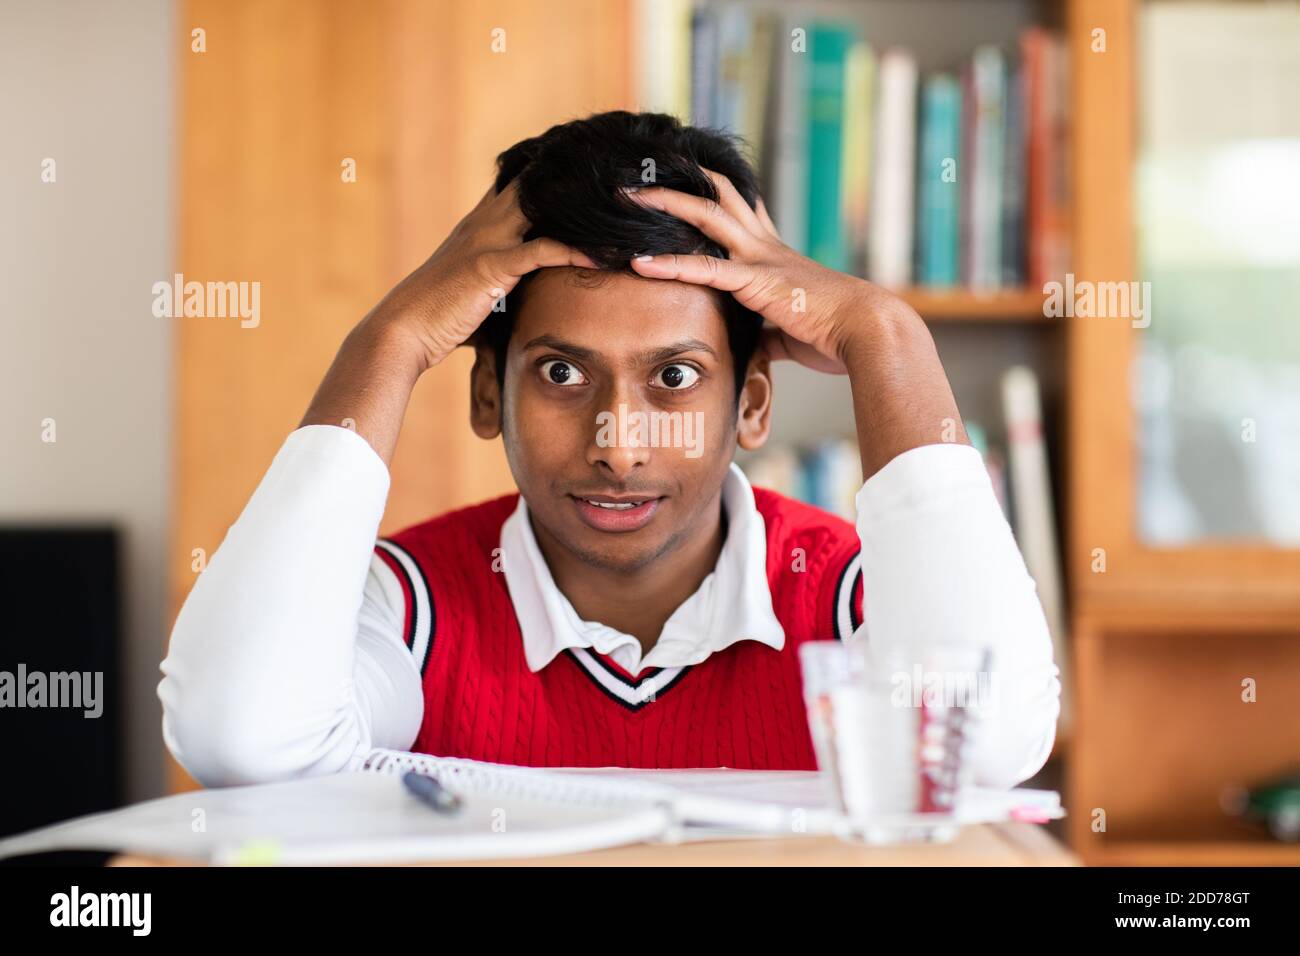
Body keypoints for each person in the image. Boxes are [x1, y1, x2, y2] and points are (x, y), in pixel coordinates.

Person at [158, 111, 1059, 787]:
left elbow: (990, 745)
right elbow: (241, 735)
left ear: (750, 406)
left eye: (673, 377)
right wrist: (388, 341)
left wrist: (886, 337)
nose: (618, 447)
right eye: (559, 374)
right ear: (486, 393)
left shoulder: (855, 601)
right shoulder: (406, 603)